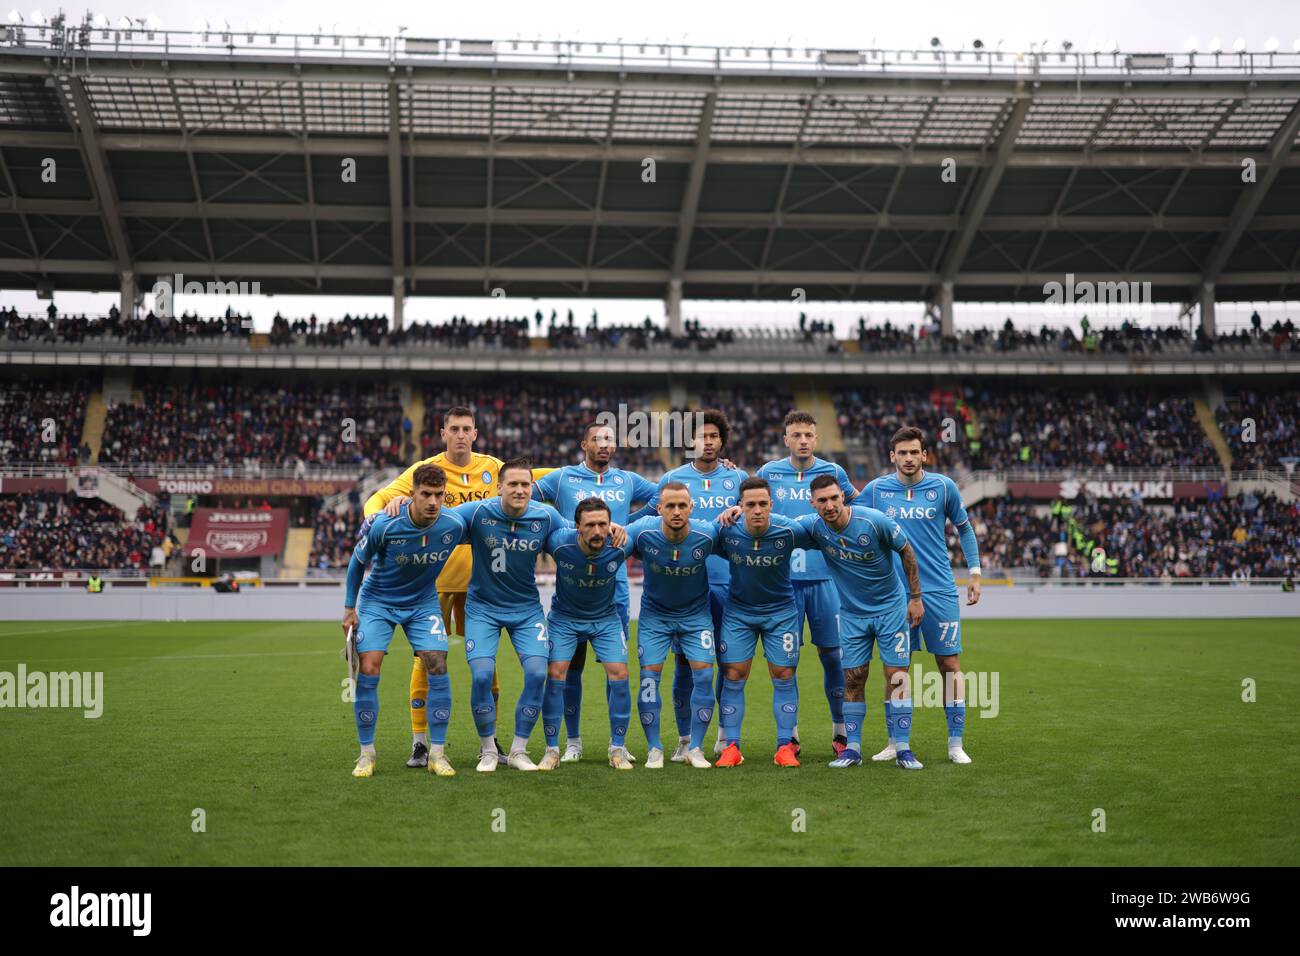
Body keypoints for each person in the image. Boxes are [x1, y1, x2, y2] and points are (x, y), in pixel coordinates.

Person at [370, 406, 554, 768]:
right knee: (426, 661)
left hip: (482, 589)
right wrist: (383, 513)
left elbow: (543, 476)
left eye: (466, 428)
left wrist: (577, 474)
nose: (459, 434)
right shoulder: (427, 471)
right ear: (442, 433)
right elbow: (375, 500)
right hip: (434, 583)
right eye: (453, 428)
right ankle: (420, 742)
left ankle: (492, 743)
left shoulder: (491, 468)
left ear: (475, 433)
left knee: (486, 666)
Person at [530, 422, 657, 763]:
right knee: (569, 671)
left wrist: (625, 527)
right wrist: (566, 526)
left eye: (609, 440)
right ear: (583, 443)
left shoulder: (626, 480)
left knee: (616, 671)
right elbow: (530, 497)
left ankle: (617, 743)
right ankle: (572, 742)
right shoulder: (562, 477)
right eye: (597, 439)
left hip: (612, 595)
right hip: (572, 588)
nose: (603, 445)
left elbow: (661, 498)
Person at [862, 425, 982, 765]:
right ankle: (895, 741)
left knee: (949, 664)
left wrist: (974, 573)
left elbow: (964, 527)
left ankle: (955, 743)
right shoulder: (876, 490)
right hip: (894, 594)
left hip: (939, 590)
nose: (909, 458)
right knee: (897, 670)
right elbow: (843, 510)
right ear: (892, 457)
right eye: (903, 453)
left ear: (924, 455)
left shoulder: (942, 487)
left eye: (915, 452)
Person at [342, 464, 465, 778]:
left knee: (437, 662)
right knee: (369, 666)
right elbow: (357, 564)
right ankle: (366, 754)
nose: (433, 501)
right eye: (426, 494)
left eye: (439, 494)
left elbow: (492, 514)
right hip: (378, 601)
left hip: (423, 603)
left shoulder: (454, 523)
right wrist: (349, 609)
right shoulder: (386, 524)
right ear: (412, 494)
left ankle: (437, 753)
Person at [799, 474, 926, 770]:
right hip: (853, 615)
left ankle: (903, 747)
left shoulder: (873, 521)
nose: (829, 505)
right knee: (854, 679)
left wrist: (915, 597)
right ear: (813, 503)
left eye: (834, 498)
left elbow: (907, 551)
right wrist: (740, 510)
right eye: (822, 500)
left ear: (843, 496)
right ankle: (853, 749)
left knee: (897, 677)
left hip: (891, 609)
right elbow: (774, 525)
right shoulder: (814, 527)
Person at [755, 410, 857, 758]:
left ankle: (841, 732)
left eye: (808, 435)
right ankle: (791, 737)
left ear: (816, 438)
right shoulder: (769, 473)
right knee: (787, 662)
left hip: (827, 580)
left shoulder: (834, 474)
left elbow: (853, 510)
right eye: (796, 435)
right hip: (782, 584)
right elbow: (750, 502)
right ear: (786, 439)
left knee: (834, 657)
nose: (802, 440)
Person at [656, 409, 747, 762]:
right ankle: (684, 739)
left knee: (728, 662)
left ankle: (724, 737)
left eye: (712, 436)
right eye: (699, 436)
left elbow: (759, 509)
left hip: (728, 582)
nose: (706, 442)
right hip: (685, 585)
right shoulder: (673, 478)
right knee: (683, 664)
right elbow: (650, 519)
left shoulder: (738, 477)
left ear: (721, 441)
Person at [712, 477, 813, 767]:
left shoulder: (789, 531)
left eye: (762, 504)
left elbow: (825, 533)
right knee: (733, 674)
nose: (757, 510)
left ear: (772, 505)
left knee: (783, 675)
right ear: (740, 506)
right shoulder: (726, 531)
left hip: (780, 612)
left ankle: (785, 746)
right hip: (739, 612)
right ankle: (731, 746)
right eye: (750, 504)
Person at [621, 482, 719, 768]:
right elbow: (611, 541)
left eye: (682, 506)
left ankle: (695, 748)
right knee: (650, 680)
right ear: (659, 508)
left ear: (691, 507)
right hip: (654, 617)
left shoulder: (708, 533)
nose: (676, 512)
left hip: (696, 616)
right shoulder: (643, 530)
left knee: (702, 677)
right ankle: (654, 748)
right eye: (670, 506)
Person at [538, 498, 635, 770]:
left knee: (620, 674)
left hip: (605, 618)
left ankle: (617, 748)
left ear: (610, 525)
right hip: (565, 618)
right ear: (577, 527)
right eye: (590, 525)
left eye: (603, 524)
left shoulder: (622, 544)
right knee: (557, 673)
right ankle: (556, 748)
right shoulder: (559, 542)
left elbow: (660, 528)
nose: (597, 531)